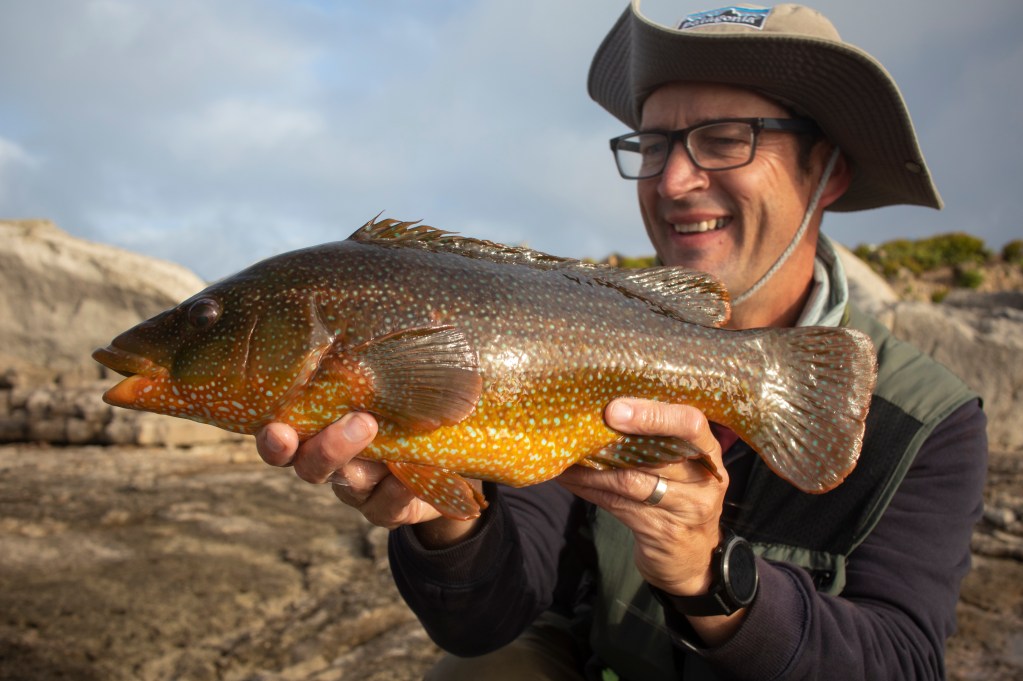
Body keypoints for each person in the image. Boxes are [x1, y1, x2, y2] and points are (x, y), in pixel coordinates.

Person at [256, 2, 988, 679]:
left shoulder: (927, 419)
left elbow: (901, 659)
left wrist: (713, 582)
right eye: (653, 142)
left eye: (725, 140)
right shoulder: (571, 333)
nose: (671, 179)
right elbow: (490, 618)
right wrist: (448, 516)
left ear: (828, 173)